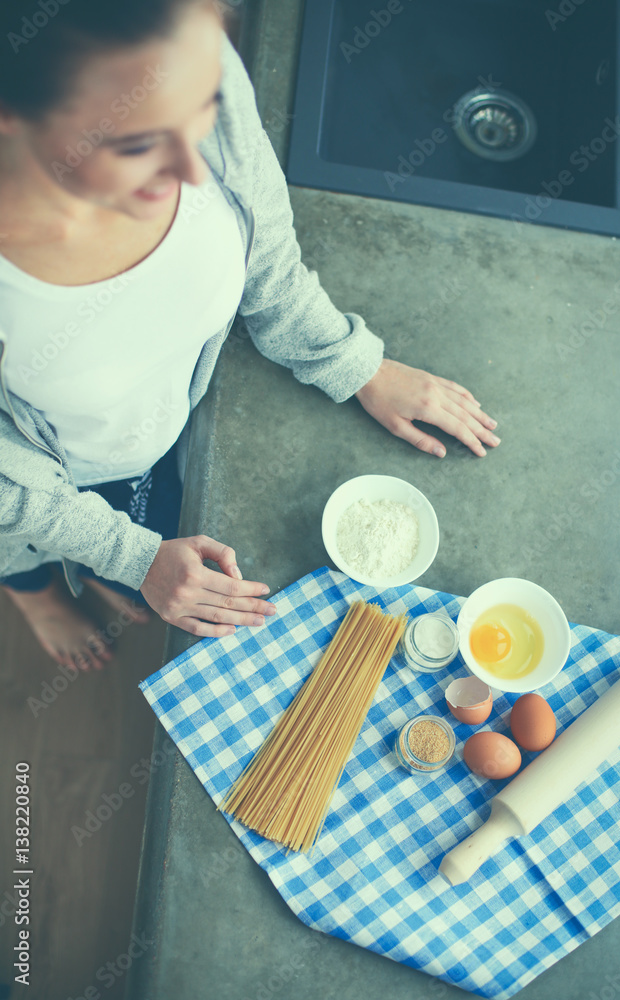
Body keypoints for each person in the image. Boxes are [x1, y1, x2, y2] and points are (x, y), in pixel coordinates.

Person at [0, 0, 500, 673]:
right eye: (137, 144)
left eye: (202, 102)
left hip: (155, 430)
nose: (196, 169)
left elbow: (262, 244)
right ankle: (32, 595)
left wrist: (351, 362)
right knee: (34, 552)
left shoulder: (179, 60)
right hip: (48, 476)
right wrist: (129, 556)